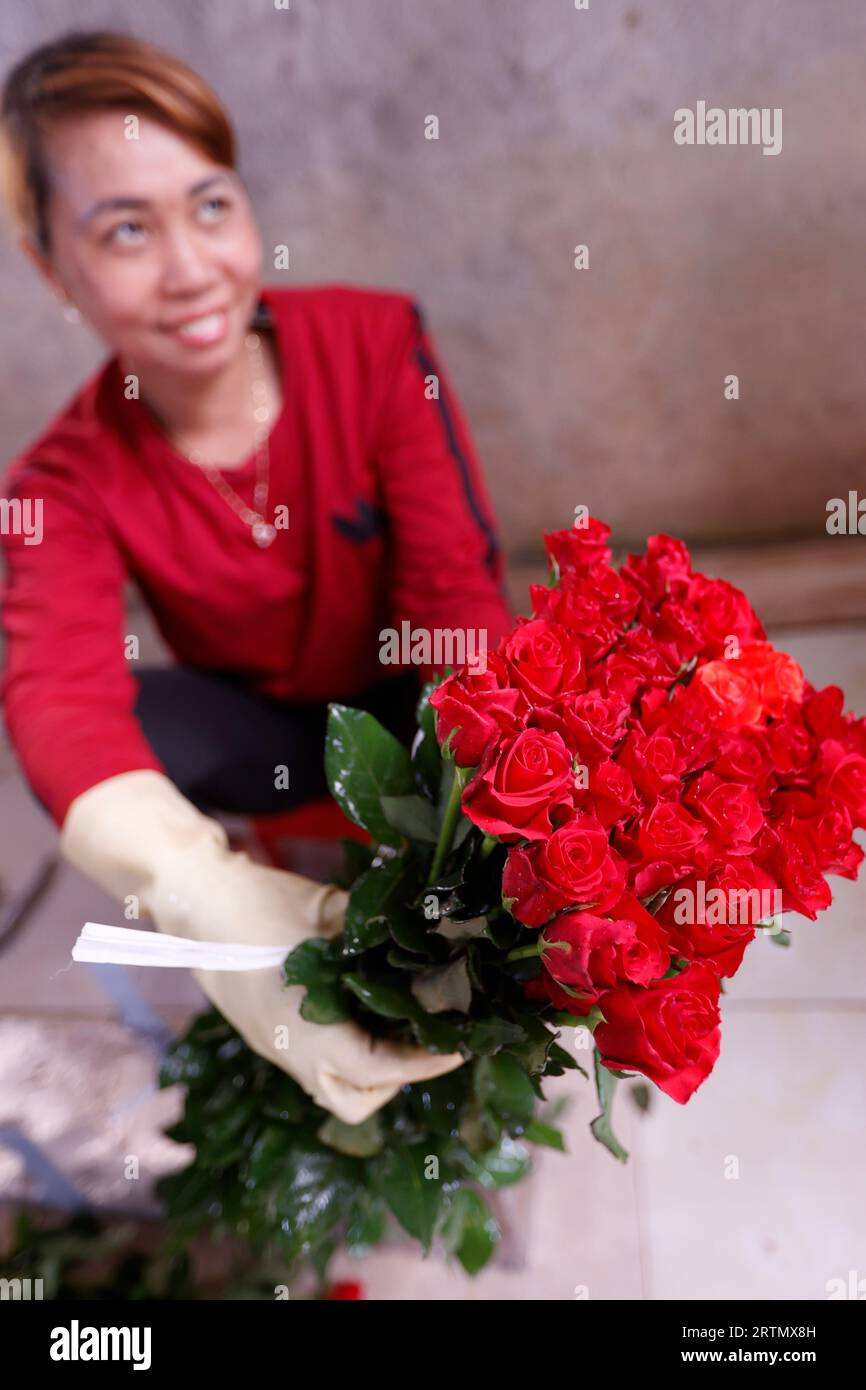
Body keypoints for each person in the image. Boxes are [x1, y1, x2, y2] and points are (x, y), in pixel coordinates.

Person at [0, 31, 514, 1122]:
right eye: (126, 229)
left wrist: (502, 856)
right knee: (138, 718)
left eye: (212, 205)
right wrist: (203, 891)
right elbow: (57, 694)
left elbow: (454, 603)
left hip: (402, 691)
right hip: (267, 730)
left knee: (467, 686)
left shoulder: (373, 345)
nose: (191, 267)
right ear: (51, 264)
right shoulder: (61, 477)